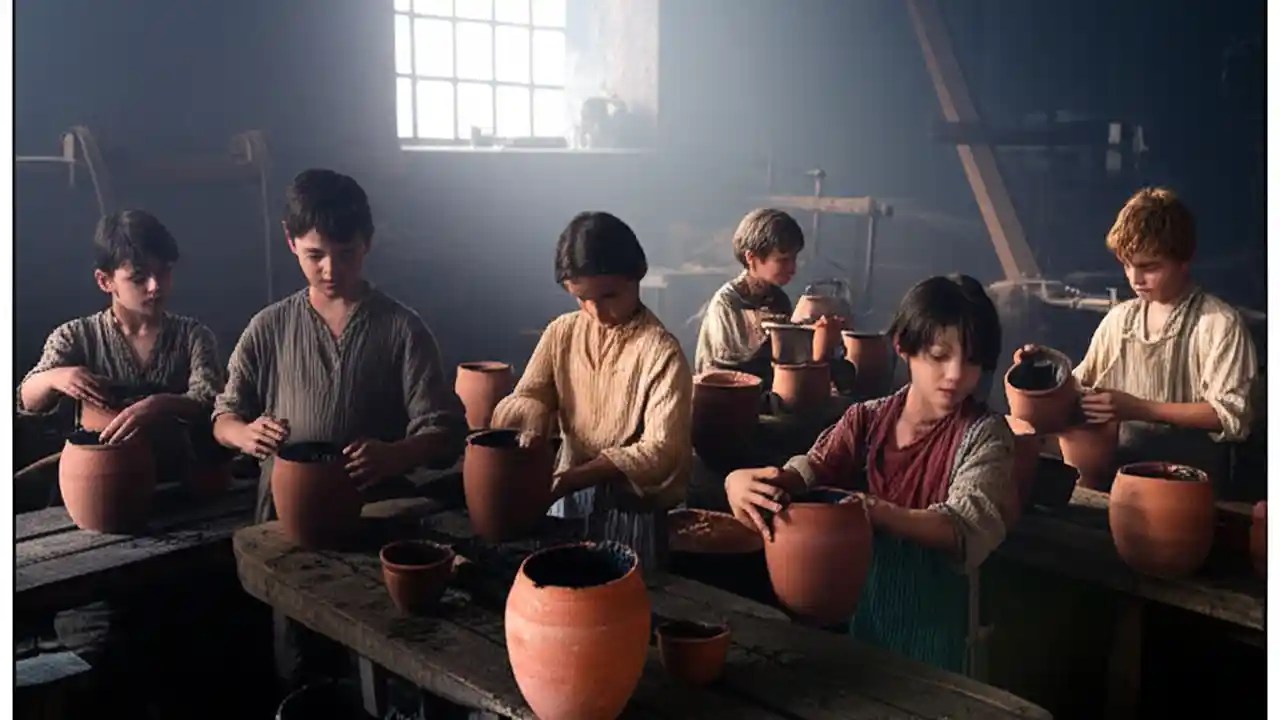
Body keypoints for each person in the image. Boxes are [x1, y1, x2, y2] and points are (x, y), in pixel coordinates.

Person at [212, 168, 467, 689]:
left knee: (377, 665)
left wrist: (397, 455)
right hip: (286, 528)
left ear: (368, 244)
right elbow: (224, 413)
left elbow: (445, 434)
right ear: (291, 243)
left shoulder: (401, 328)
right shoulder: (269, 327)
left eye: (345, 254)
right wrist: (243, 434)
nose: (330, 270)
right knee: (302, 668)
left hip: (373, 526)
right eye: (315, 255)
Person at [725, 274, 1015, 673]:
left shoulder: (985, 435)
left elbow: (964, 529)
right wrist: (739, 482)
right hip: (863, 625)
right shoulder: (866, 420)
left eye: (971, 360)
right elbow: (803, 473)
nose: (955, 374)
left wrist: (876, 511)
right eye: (939, 354)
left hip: (940, 638)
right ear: (904, 347)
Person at [15, 209, 227, 715]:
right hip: (98, 514)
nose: (156, 287)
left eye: (165, 273)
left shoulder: (192, 335)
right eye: (139, 278)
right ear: (104, 280)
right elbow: (25, 398)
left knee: (186, 637)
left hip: (176, 500)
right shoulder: (76, 338)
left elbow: (211, 398)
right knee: (100, 641)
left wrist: (161, 404)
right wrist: (56, 379)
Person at [491, 211, 693, 574]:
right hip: (564, 501)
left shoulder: (661, 352)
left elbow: (662, 451)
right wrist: (533, 415)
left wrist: (573, 478)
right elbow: (530, 394)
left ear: (638, 274)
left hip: (632, 513)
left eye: (609, 295)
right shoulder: (562, 333)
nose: (596, 311)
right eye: (582, 299)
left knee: (620, 608)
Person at [1019, 187, 1258, 485]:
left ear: (1184, 260)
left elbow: (1230, 417)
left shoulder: (1218, 324)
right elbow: (1077, 388)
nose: (1135, 278)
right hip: (1119, 478)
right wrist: (1041, 368)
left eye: (1149, 267)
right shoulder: (1119, 321)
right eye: (1127, 265)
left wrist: (1141, 408)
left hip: (1192, 487)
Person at [693, 208, 804, 383]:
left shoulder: (778, 299)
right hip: (727, 395)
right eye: (783, 260)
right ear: (751, 257)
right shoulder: (728, 303)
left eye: (794, 259)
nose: (793, 268)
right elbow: (730, 370)